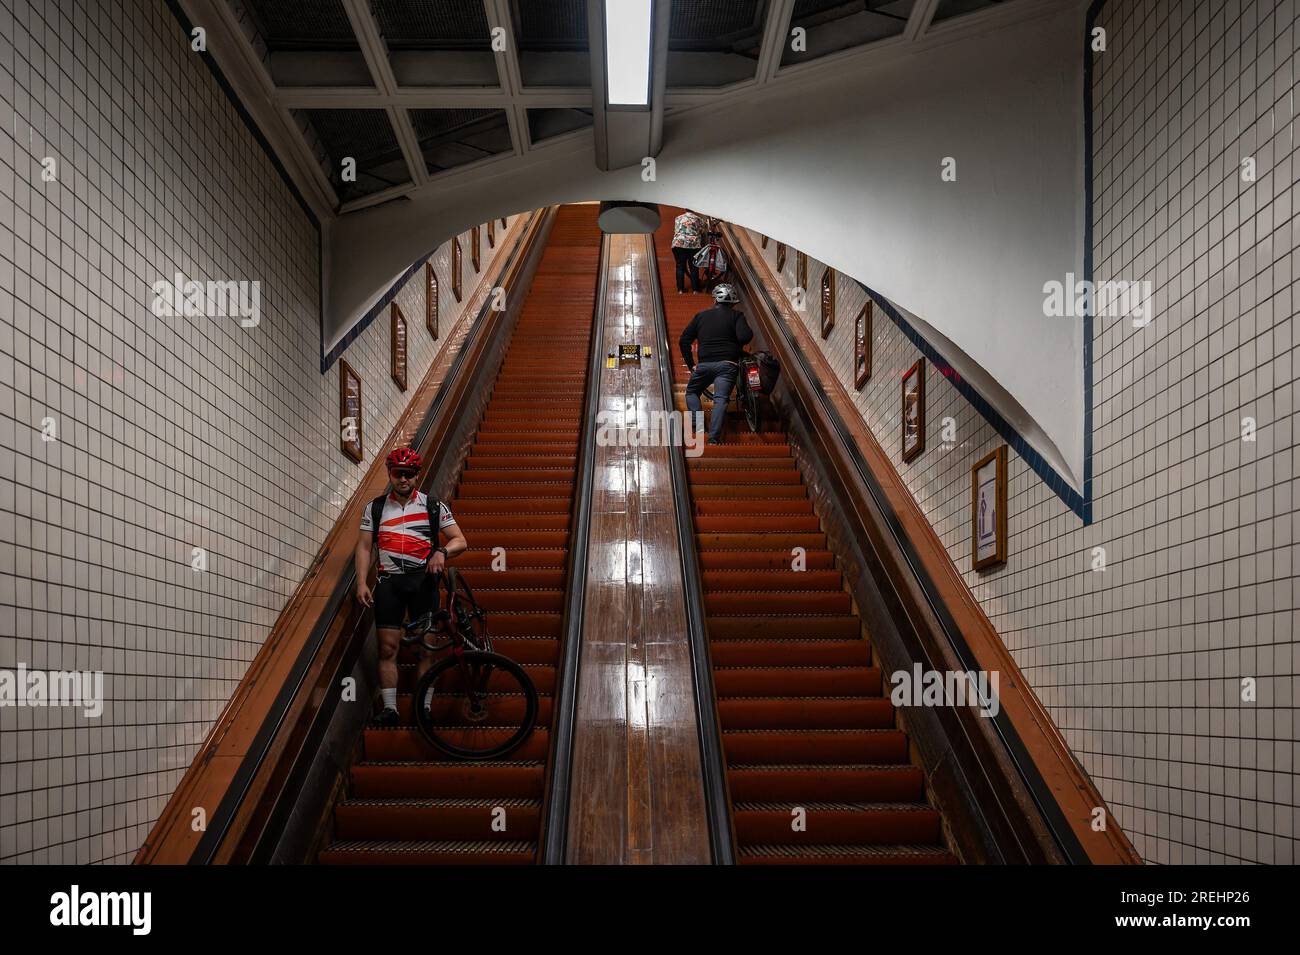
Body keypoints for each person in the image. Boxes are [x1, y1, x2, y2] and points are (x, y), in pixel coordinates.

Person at [355, 446, 468, 726]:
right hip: (389, 583)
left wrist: (442, 552)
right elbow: (364, 546)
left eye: (408, 474)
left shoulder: (433, 506)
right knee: (387, 649)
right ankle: (391, 709)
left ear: (417, 475)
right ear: (390, 474)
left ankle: (423, 708)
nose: (403, 479)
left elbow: (460, 540)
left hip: (423, 583)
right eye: (397, 473)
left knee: (426, 648)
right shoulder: (376, 508)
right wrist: (360, 582)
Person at [679, 283, 753, 445]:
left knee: (692, 392)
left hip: (704, 365)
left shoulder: (701, 316)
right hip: (727, 365)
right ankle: (713, 438)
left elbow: (684, 340)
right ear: (733, 302)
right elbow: (744, 337)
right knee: (720, 399)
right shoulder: (736, 315)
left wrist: (691, 364)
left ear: (715, 300)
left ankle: (698, 426)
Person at [671, 209, 707, 294]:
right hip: (693, 245)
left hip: (678, 244)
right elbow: (702, 231)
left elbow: (676, 230)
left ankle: (680, 289)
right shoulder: (698, 219)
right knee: (693, 267)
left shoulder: (678, 218)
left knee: (680, 266)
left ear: (685, 209)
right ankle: (695, 290)